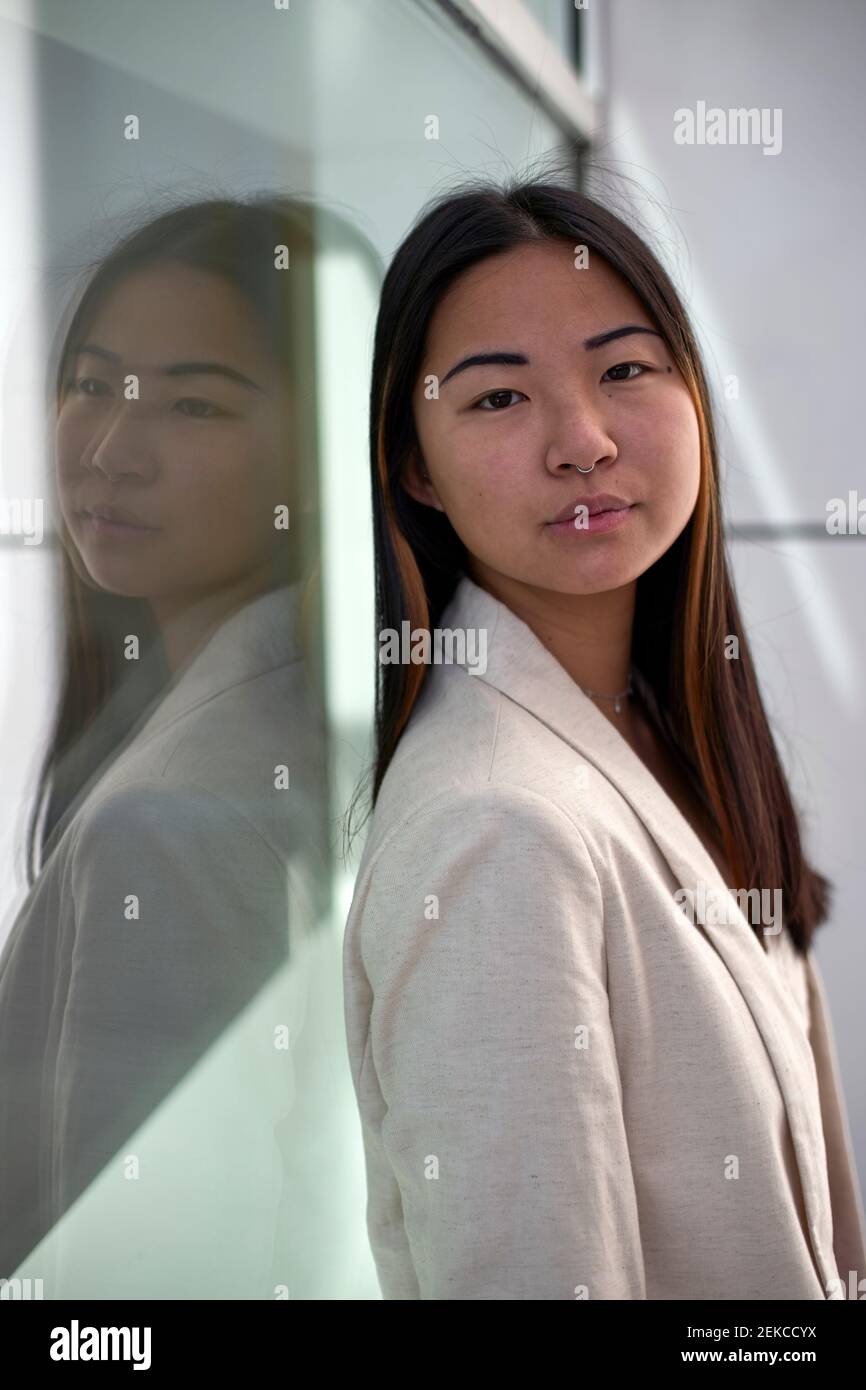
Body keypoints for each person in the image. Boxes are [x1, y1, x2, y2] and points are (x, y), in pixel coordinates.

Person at [341, 174, 866, 1300]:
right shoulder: (496, 832)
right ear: (413, 468)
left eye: (623, 369)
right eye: (496, 399)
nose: (581, 442)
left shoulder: (660, 722)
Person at [0, 195, 330, 1281]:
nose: (107, 450)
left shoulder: (171, 820)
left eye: (192, 407)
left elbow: (146, 1284)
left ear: (319, 448)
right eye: (91, 386)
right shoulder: (292, 710)